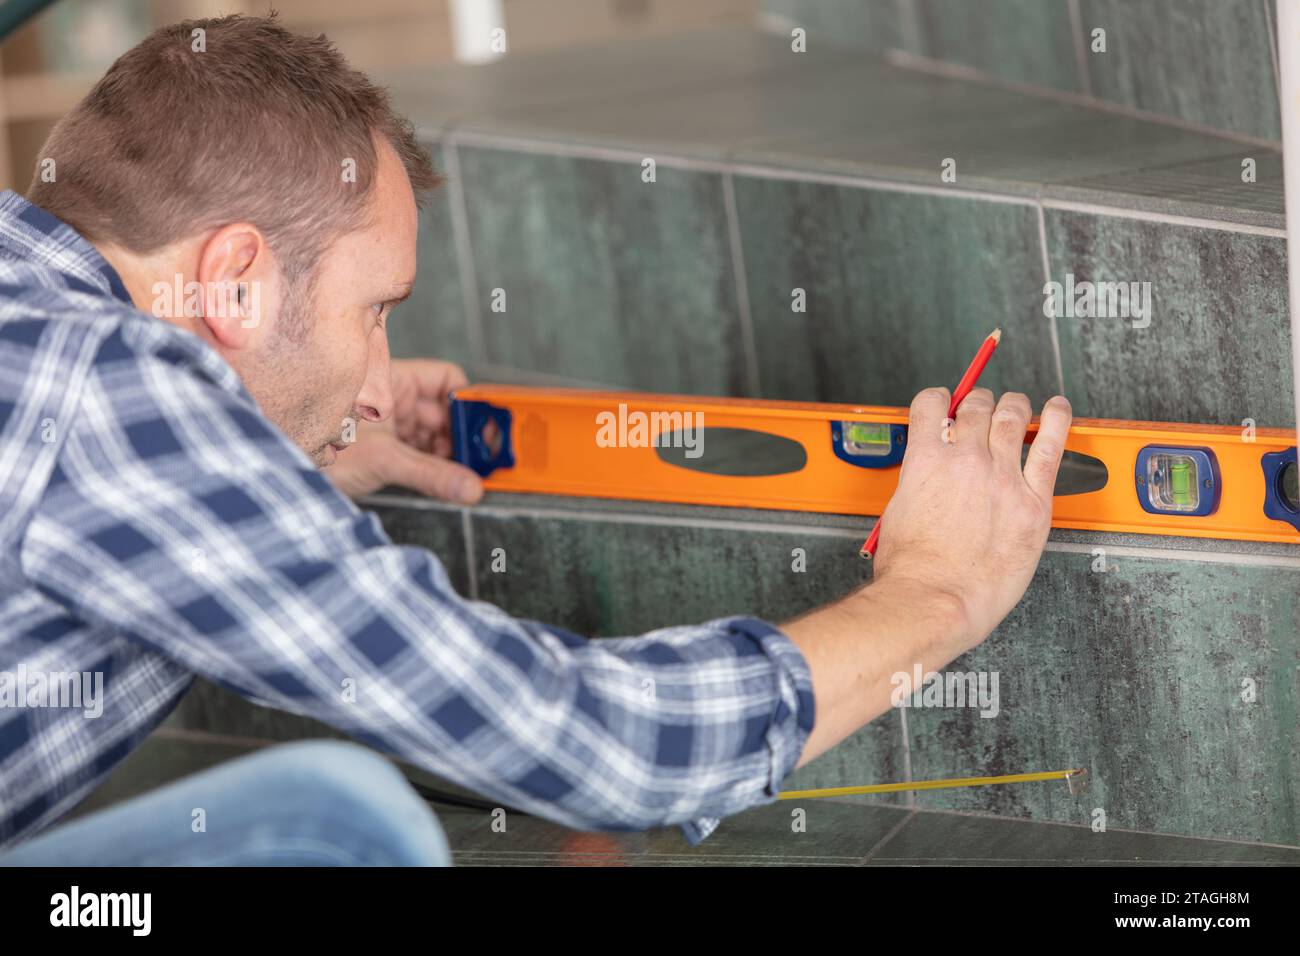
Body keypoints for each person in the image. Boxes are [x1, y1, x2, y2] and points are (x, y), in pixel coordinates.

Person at [0, 14, 1071, 865]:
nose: (379, 384)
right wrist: (936, 590)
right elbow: (595, 745)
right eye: (373, 312)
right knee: (335, 825)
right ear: (235, 280)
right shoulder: (120, 402)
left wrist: (264, 466)